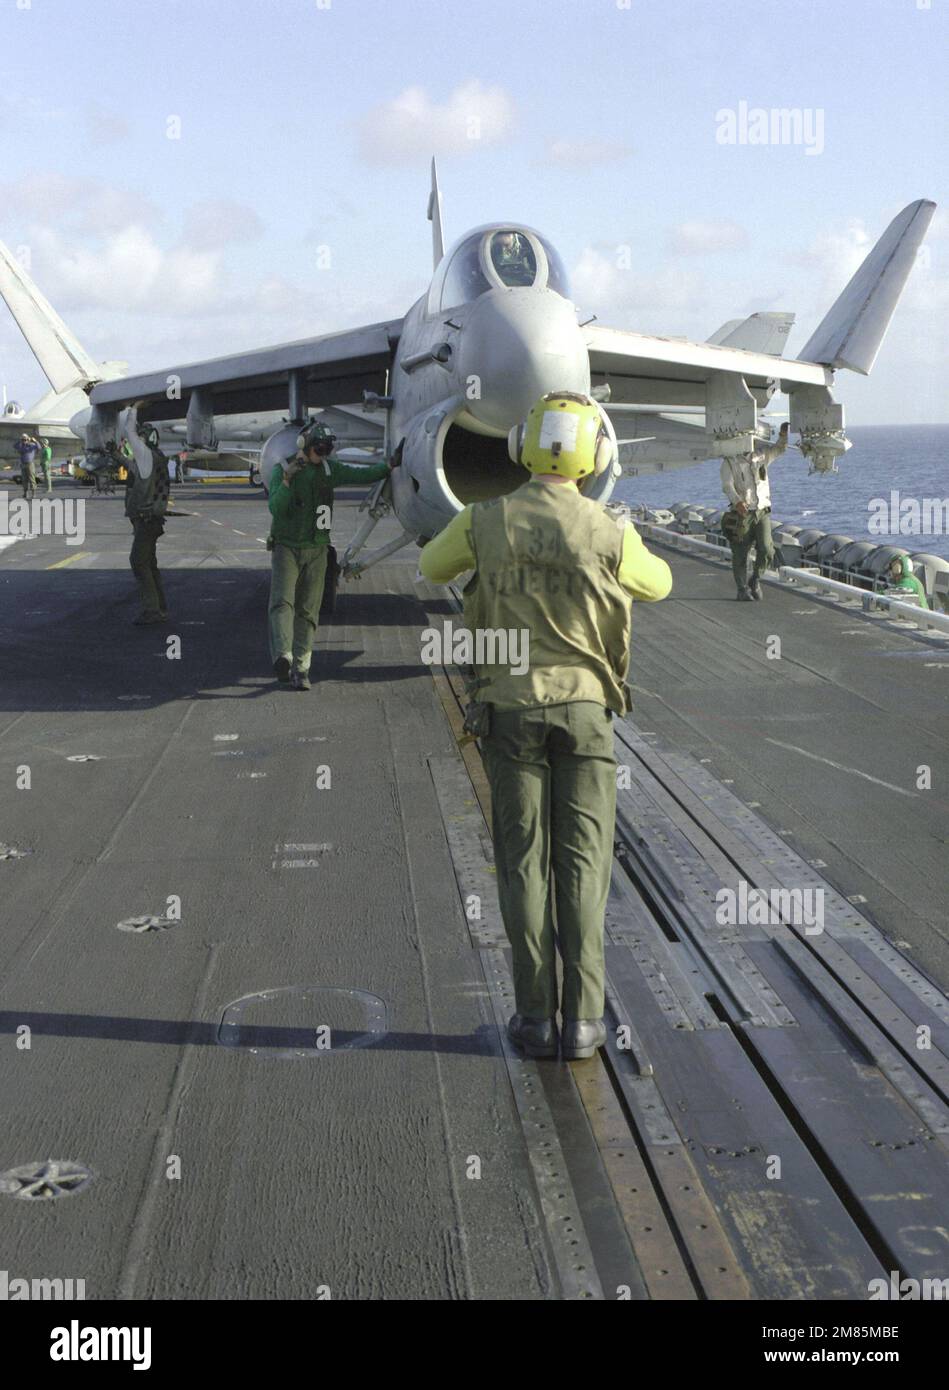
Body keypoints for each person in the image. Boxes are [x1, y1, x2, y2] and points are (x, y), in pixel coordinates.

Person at [419, 390, 672, 1061]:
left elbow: (430, 567)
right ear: (594, 455)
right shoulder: (609, 529)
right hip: (587, 715)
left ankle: (533, 1018)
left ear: (520, 447)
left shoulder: (483, 520)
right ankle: (585, 1022)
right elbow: (659, 585)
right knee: (583, 867)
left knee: (522, 865)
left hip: (510, 712)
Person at [267, 418, 390, 691]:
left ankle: (302, 668)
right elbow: (276, 508)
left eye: (326, 450)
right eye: (318, 449)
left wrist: (389, 465)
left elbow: (361, 475)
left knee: (309, 611)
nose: (322, 455)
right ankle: (283, 656)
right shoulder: (281, 470)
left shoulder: (329, 470)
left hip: (317, 549)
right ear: (304, 446)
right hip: (286, 547)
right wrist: (288, 479)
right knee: (282, 604)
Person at [720, 423, 789, 600]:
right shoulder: (730, 461)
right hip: (742, 514)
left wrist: (783, 434)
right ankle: (742, 589)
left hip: (762, 511)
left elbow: (780, 449)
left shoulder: (762, 456)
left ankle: (755, 579)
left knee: (767, 549)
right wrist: (737, 502)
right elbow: (727, 486)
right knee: (740, 553)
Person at [122, 407, 171, 625]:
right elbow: (134, 467)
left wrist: (133, 408)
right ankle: (160, 606)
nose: (136, 442)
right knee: (149, 563)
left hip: (146, 519)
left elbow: (129, 431)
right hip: (153, 519)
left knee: (138, 562)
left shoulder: (145, 455)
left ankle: (152, 611)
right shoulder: (155, 458)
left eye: (140, 437)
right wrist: (116, 455)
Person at [14, 433, 38, 499]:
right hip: (23, 464)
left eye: (25, 439)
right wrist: (20, 440)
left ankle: (33, 493)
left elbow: (39, 447)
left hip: (30, 464)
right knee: (24, 479)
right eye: (23, 439)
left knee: (32, 479)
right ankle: (25, 493)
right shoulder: (21, 445)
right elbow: (15, 446)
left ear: (28, 439)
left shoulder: (31, 445)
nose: (24, 440)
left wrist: (35, 441)